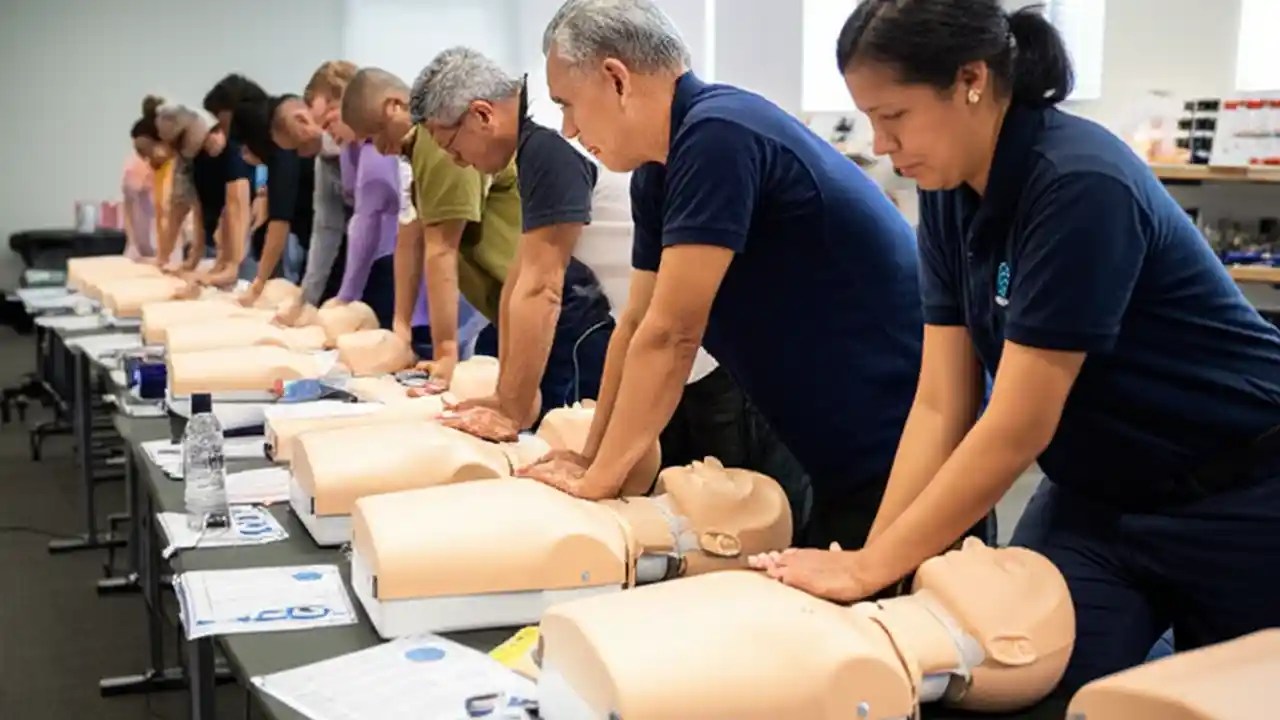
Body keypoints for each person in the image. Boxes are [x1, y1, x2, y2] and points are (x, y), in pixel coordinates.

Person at [751, 0, 1280, 694]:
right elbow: (942, 404)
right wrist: (872, 566)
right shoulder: (948, 191)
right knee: (1011, 676)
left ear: (971, 79)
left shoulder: (1079, 183)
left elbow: (1018, 426)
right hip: (1097, 496)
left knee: (1213, 700)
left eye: (895, 116)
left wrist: (868, 567)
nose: (880, 144)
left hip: (1239, 494)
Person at [527, 0, 923, 551]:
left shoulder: (719, 134)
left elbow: (673, 335)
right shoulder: (655, 175)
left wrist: (598, 480)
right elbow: (637, 324)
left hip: (899, 440)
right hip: (832, 440)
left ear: (616, 79)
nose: (568, 129)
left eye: (568, 105)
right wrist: (592, 458)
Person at [408, 46, 619, 427]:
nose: (457, 162)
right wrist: (505, 396)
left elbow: (543, 288)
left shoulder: (546, 144)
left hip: (668, 339)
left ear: (482, 115)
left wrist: (513, 410)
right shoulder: (527, 146)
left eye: (452, 147)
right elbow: (518, 279)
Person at [273, 61, 359, 305]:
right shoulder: (328, 156)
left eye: (332, 118)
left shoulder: (383, 150)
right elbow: (326, 228)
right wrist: (307, 299)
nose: (330, 132)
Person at [154, 103, 253, 288]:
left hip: (246, 244)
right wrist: (193, 258)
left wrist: (232, 265)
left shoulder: (232, 152)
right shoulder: (196, 160)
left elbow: (236, 208)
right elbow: (196, 206)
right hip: (220, 243)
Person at [229, 93, 316, 295]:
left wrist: (258, 283)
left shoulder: (283, 153)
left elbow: (280, 222)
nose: (244, 154)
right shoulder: (279, 155)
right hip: (314, 242)